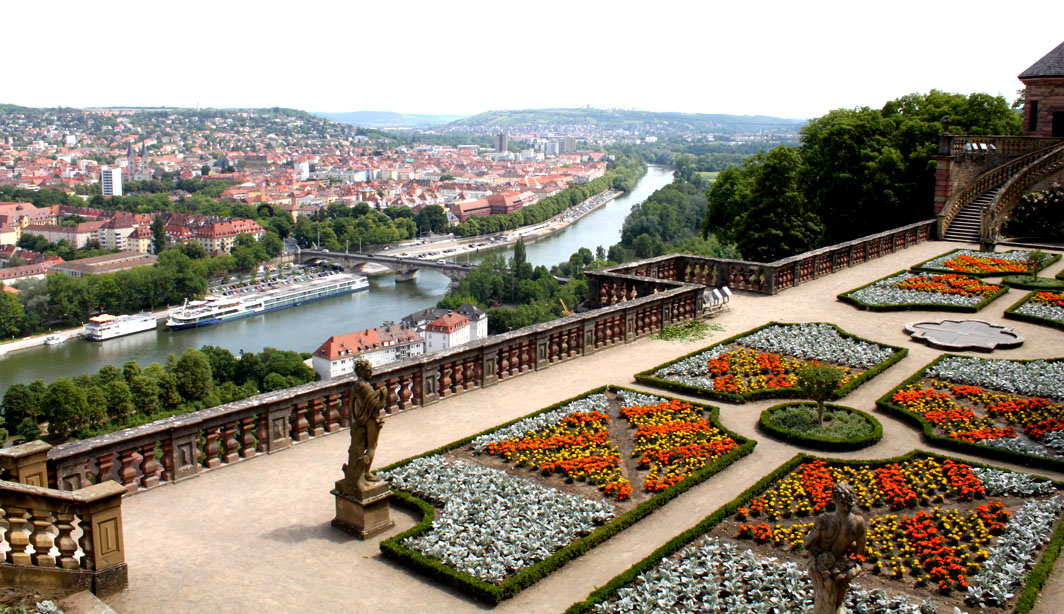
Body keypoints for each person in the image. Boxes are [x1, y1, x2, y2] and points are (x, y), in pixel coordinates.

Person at [803, 482, 866, 614]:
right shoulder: (858, 522)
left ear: (834, 499)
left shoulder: (824, 519)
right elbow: (860, 552)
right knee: (839, 603)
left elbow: (807, 544)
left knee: (821, 601)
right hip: (840, 568)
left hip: (820, 566)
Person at [340, 359, 386, 495]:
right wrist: (384, 396)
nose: (371, 372)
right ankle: (363, 474)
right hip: (371, 420)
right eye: (368, 370)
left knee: (362, 447)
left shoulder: (357, 385)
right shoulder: (364, 386)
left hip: (362, 419)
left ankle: (363, 473)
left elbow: (351, 403)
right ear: (360, 372)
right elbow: (377, 406)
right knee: (372, 446)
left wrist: (356, 418)